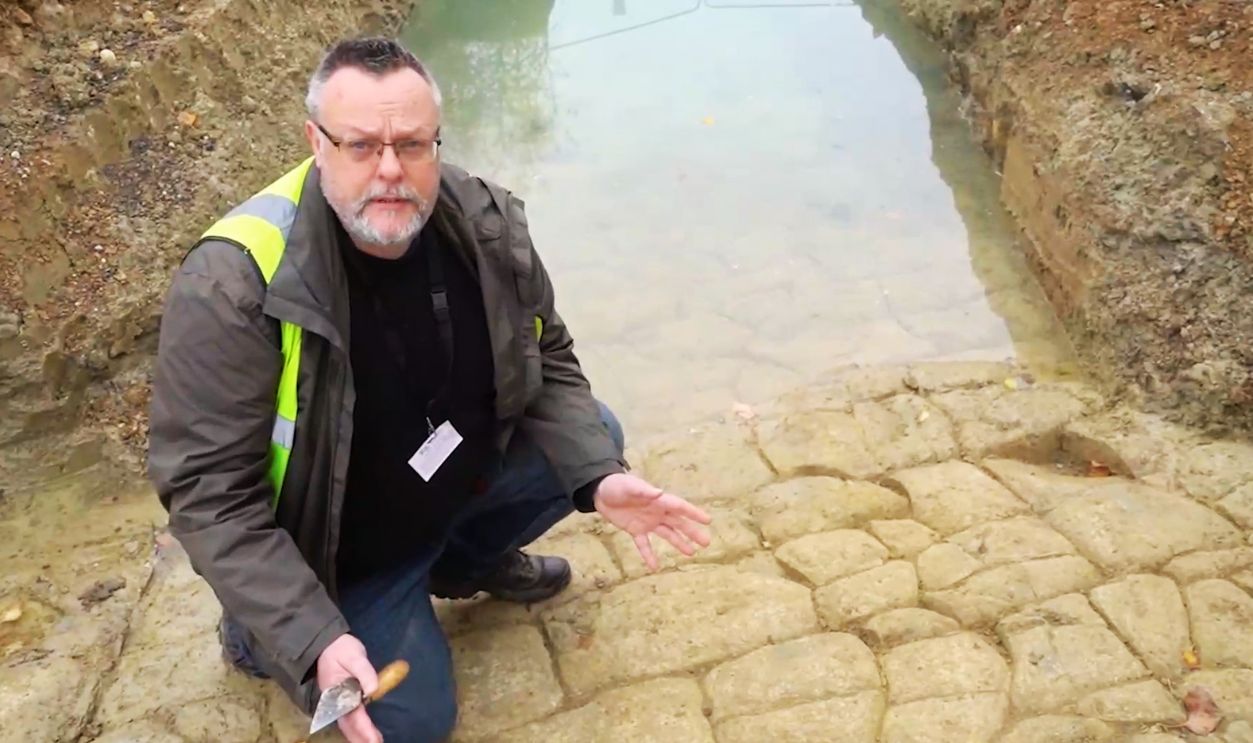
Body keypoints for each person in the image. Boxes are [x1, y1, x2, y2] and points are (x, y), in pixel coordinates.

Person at [147, 36, 712, 743]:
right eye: (361, 146)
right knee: (412, 723)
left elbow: (549, 356)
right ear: (315, 143)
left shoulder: (483, 220)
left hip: (447, 481)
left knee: (593, 435)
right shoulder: (232, 284)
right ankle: (259, 635)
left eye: (412, 144)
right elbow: (208, 493)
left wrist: (596, 476)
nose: (391, 170)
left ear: (436, 142)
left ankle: (460, 563)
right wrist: (310, 635)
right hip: (337, 556)